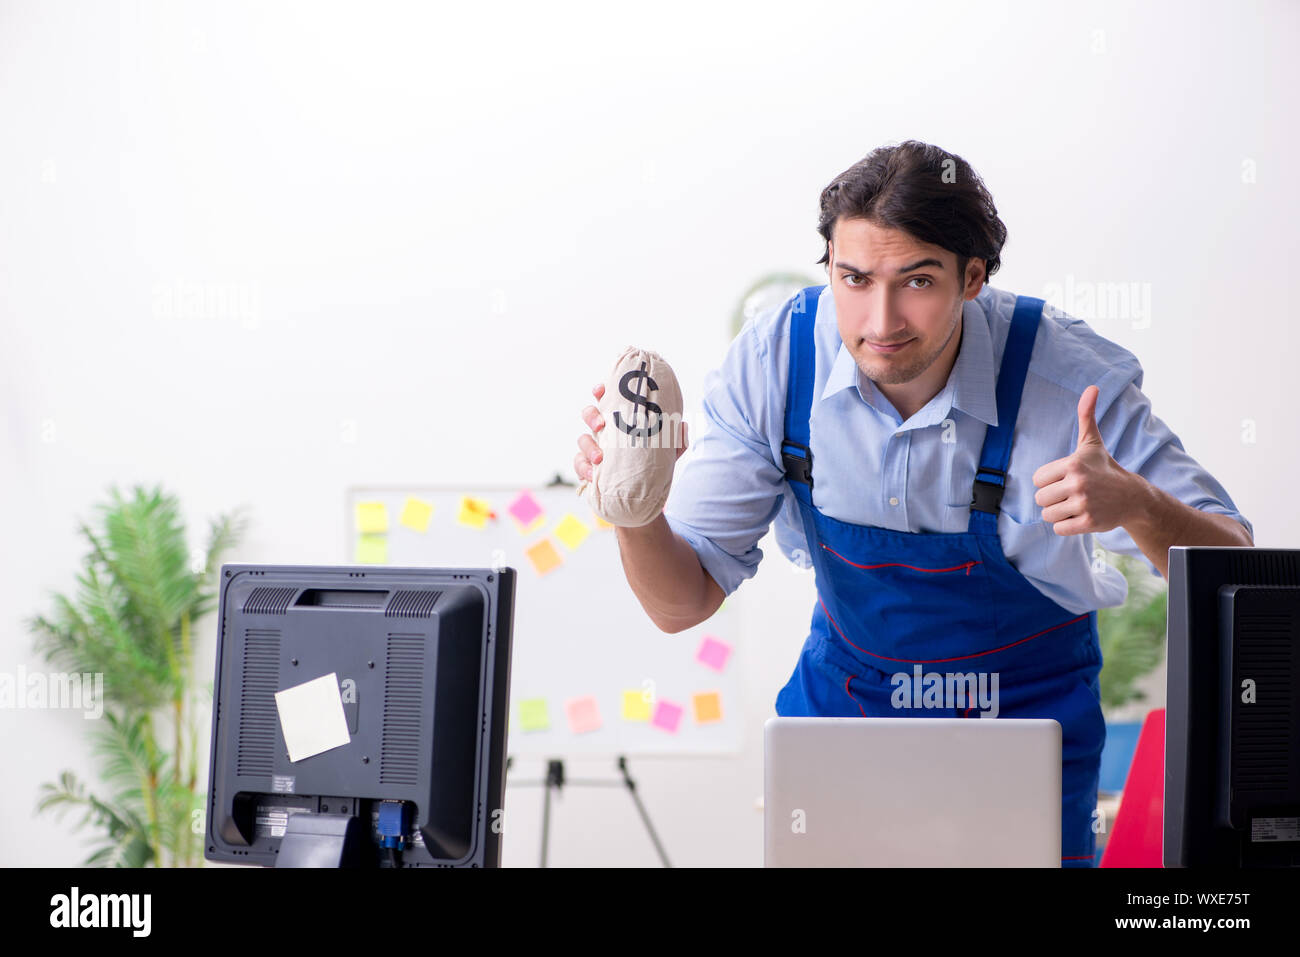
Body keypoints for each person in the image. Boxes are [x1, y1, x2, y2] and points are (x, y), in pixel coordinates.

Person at [573, 140, 1254, 867]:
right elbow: (682, 602)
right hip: (844, 721)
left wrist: (1137, 503)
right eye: (855, 278)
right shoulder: (776, 362)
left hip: (1024, 734)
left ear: (973, 277)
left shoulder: (1066, 382)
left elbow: (1233, 571)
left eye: (917, 281)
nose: (881, 319)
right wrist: (636, 512)